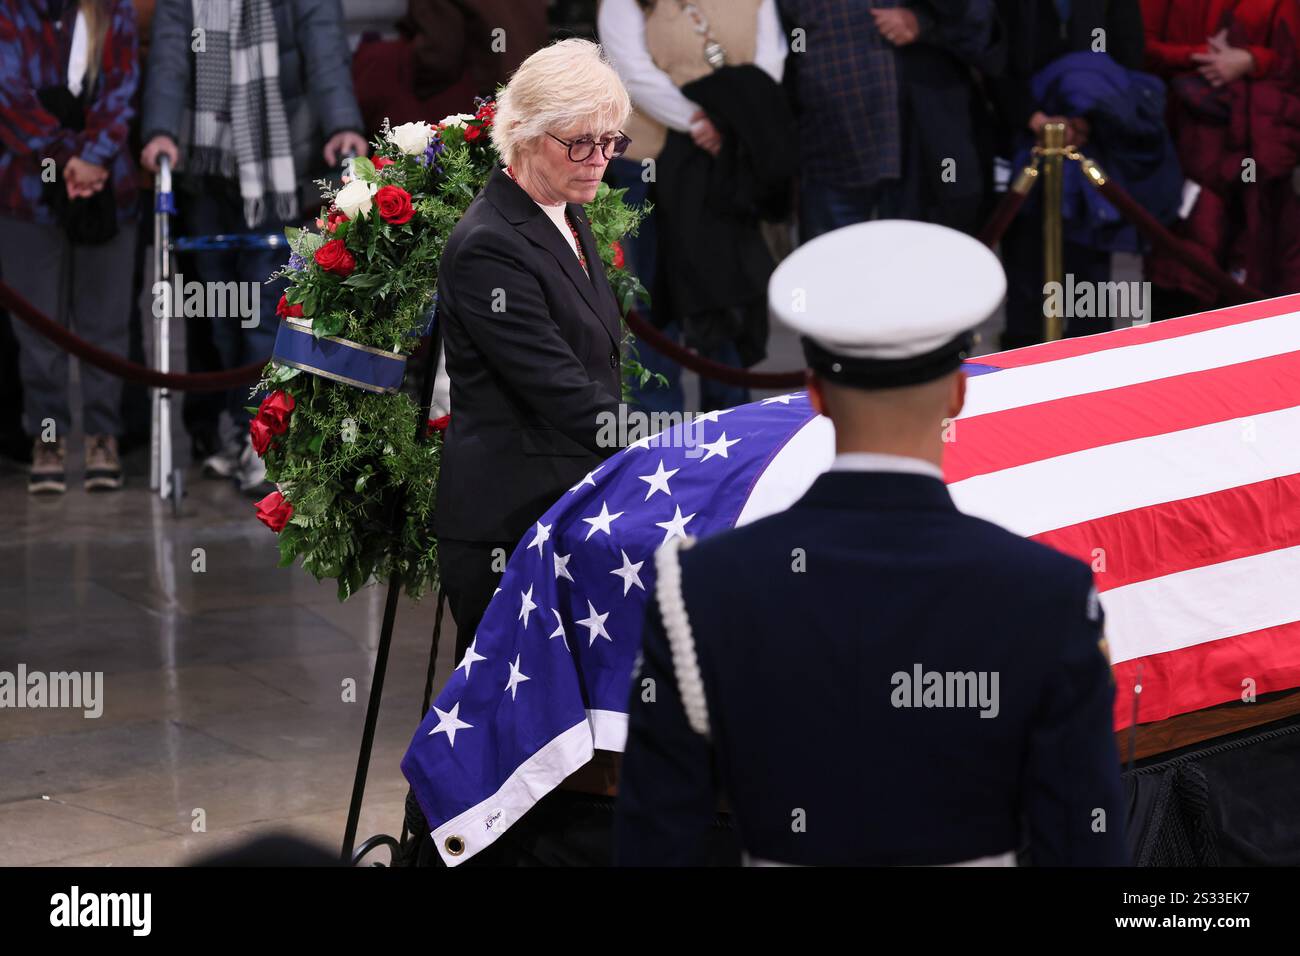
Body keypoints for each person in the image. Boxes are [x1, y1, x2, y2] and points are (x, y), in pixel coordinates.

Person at [615, 220, 1128, 866]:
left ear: (815, 395)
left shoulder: (698, 589)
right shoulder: (1049, 594)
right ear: (959, 392)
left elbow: (655, 846)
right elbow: (1085, 849)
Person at [435, 38, 632, 662]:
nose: (598, 160)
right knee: (510, 738)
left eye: (610, 143)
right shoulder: (490, 244)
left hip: (564, 506)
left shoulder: (565, 214)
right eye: (579, 143)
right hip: (510, 523)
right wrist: (666, 442)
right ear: (523, 133)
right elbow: (558, 387)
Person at [139, 0, 368, 494]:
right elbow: (169, 58)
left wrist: (341, 123)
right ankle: (236, 430)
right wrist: (159, 131)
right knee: (221, 315)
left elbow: (325, 52)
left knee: (265, 310)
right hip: (206, 169)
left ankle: (264, 441)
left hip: (277, 169)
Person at [599, 0, 791, 413]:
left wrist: (729, 122)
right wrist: (696, 121)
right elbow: (630, 69)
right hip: (648, 164)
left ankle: (728, 419)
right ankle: (655, 425)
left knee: (724, 286)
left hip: (726, 156)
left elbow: (770, 58)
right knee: (651, 294)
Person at [0, 0, 141, 494]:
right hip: (27, 193)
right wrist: (62, 158)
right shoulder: (12, 12)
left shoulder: (114, 9)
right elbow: (9, 95)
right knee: (39, 330)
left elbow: (122, 90)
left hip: (106, 190)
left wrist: (94, 158)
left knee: (105, 326)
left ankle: (102, 436)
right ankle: (48, 438)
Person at [778, 0, 1003, 241]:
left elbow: (981, 29)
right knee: (832, 272)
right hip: (829, 153)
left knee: (921, 271)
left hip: (920, 159)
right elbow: (790, 46)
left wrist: (921, 24)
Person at [1140, 0, 1300, 320]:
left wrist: (1253, 60)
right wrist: (1206, 58)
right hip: (1183, 144)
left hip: (1260, 152)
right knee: (1181, 271)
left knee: (1259, 265)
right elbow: (1139, 45)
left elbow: (1291, 60)